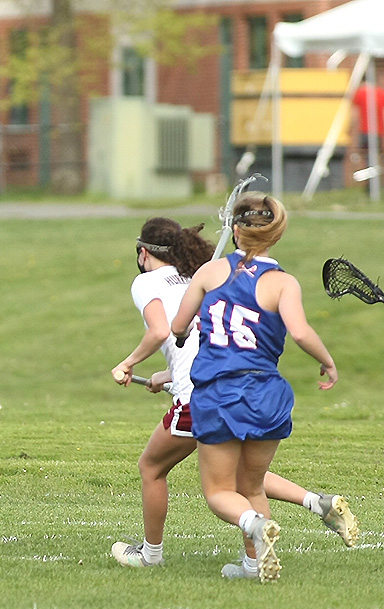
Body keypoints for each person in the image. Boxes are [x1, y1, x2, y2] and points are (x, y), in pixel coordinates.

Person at [110, 216, 356, 580]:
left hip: (209, 393)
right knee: (246, 479)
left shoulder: (166, 279)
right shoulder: (208, 275)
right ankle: (307, 510)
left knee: (156, 469)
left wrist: (128, 363)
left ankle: (151, 555)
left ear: (144, 252)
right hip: (252, 388)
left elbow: (169, 330)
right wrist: (168, 376)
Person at [169, 194, 339, 582]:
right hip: (266, 394)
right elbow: (299, 332)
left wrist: (187, 334)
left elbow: (178, 326)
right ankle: (253, 565)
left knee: (218, 492)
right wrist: (328, 362)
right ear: (276, 235)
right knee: (251, 483)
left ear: (234, 229)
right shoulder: (283, 283)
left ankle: (254, 523)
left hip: (218, 394)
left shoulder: (210, 273)